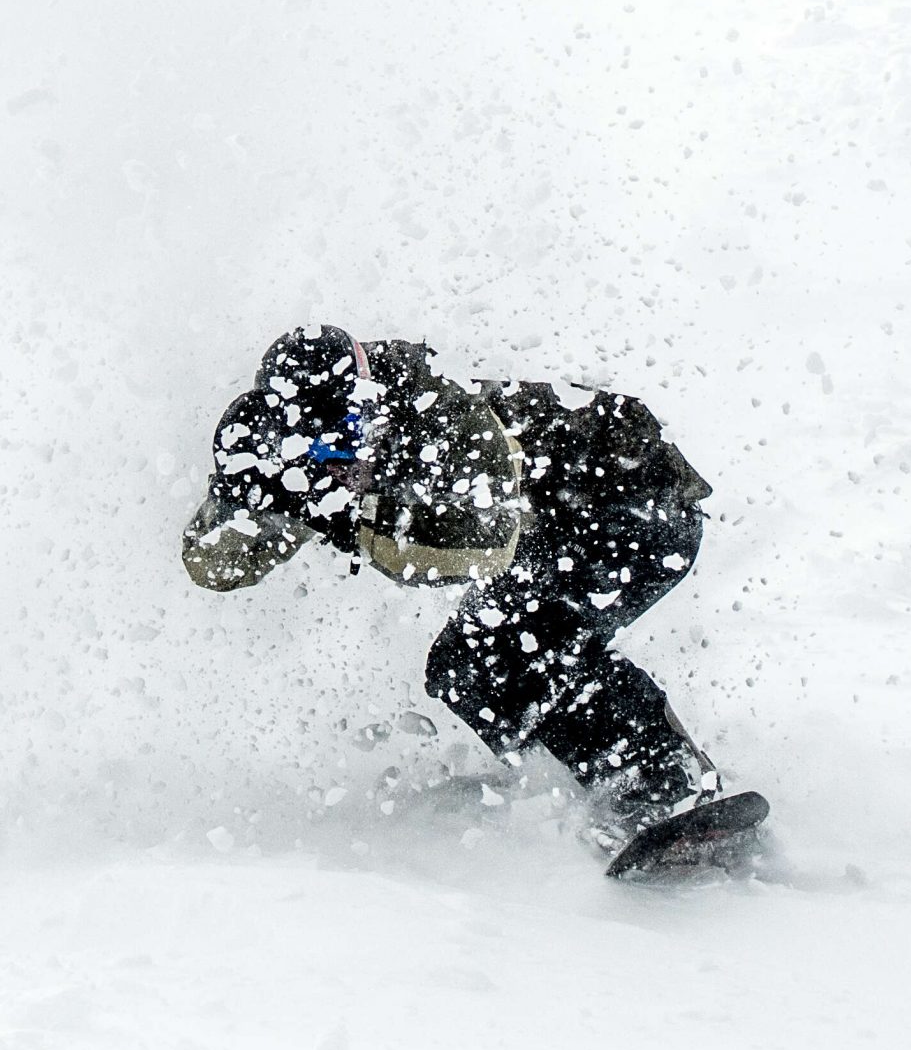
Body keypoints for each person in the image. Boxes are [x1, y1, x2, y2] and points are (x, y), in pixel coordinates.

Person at [180, 325, 768, 877]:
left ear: (372, 400)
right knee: (464, 665)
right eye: (324, 449)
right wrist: (237, 499)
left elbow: (484, 546)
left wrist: (351, 516)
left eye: (355, 431)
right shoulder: (302, 460)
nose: (346, 458)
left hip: (634, 509)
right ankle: (586, 787)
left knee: (515, 644)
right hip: (552, 532)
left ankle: (668, 787)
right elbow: (213, 564)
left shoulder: (437, 410)